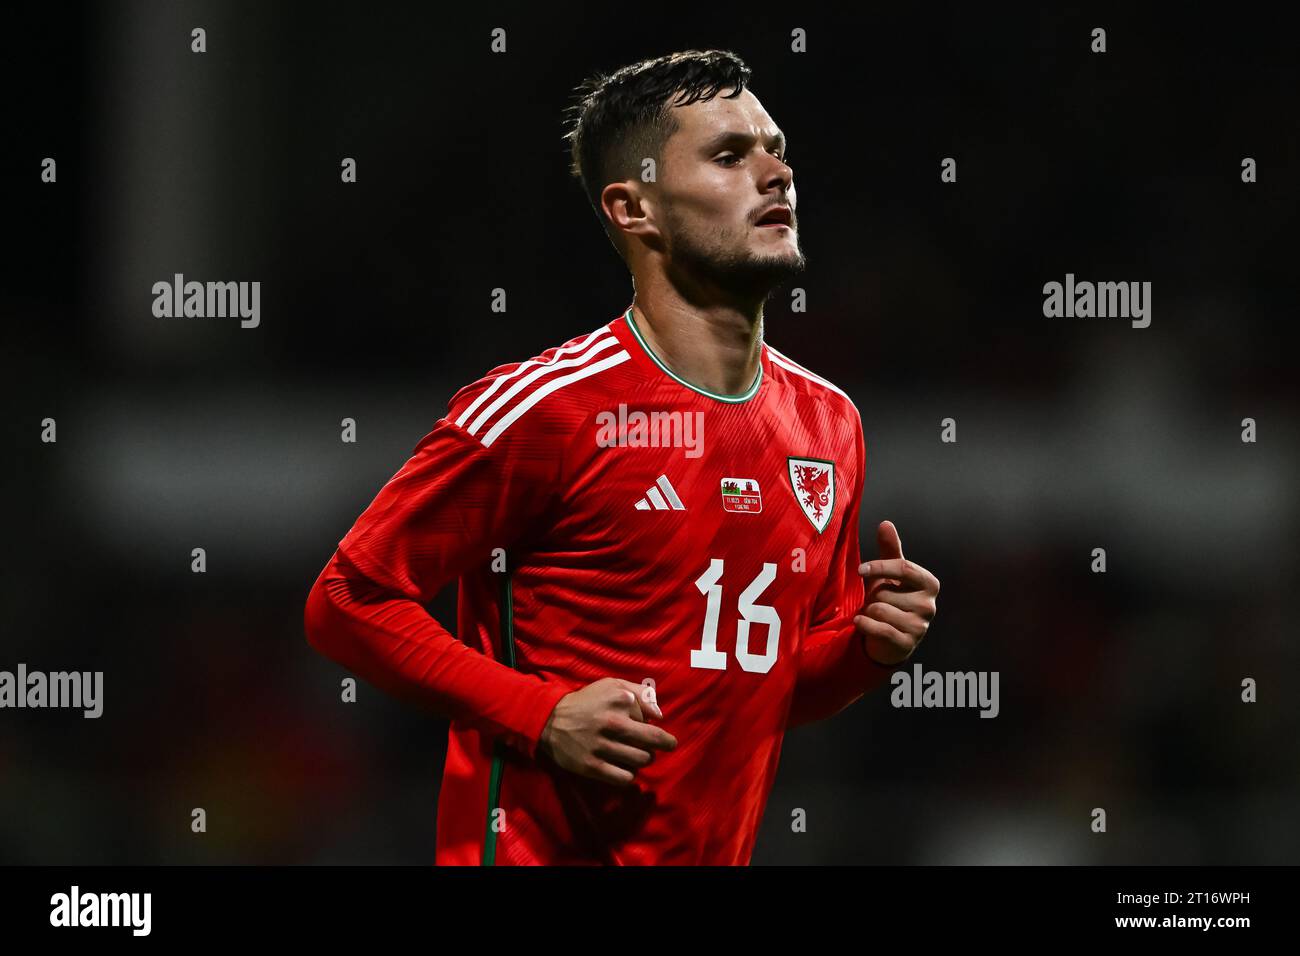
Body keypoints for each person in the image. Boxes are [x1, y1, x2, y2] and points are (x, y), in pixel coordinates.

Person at [304, 49, 940, 865]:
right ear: (634, 208)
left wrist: (865, 650)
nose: (774, 173)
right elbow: (348, 599)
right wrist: (540, 712)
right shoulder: (548, 408)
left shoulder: (828, 424)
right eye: (729, 155)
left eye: (776, 149)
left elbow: (761, 683)